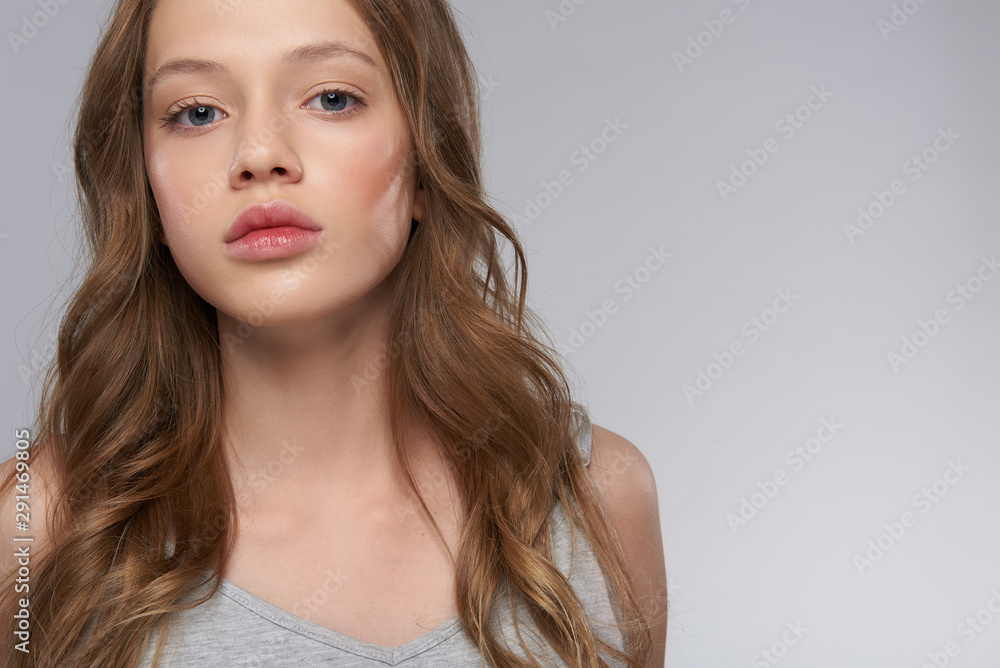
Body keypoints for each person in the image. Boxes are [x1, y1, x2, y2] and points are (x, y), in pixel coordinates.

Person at [0, 0, 668, 665]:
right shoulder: (36, 527)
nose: (260, 155)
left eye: (331, 99)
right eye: (197, 112)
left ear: (427, 159)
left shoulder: (597, 497)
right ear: (145, 180)